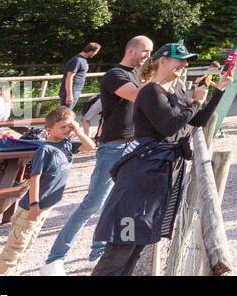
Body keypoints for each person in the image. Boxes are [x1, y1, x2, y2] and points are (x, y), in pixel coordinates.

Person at [92, 43, 229, 276]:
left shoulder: (176, 90)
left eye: (186, 60)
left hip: (159, 173)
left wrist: (218, 92)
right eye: (180, 59)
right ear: (162, 60)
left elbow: (197, 121)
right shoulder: (150, 91)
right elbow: (169, 126)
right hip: (141, 174)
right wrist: (196, 102)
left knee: (139, 241)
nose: (184, 64)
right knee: (123, 242)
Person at [42, 35, 153, 274]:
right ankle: (55, 259)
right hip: (113, 146)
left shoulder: (136, 76)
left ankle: (97, 252)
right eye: (146, 51)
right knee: (92, 204)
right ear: (132, 50)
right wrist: (159, 75)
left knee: (114, 204)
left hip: (130, 145)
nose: (149, 56)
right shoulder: (116, 74)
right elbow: (137, 95)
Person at [0, 107, 96, 275]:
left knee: (28, 243)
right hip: (32, 207)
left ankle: (15, 271)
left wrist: (78, 130)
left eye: (69, 126)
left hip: (46, 206)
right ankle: (4, 272)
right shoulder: (45, 149)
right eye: (62, 127)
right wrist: (34, 204)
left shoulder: (66, 144)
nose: (67, 130)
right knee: (17, 245)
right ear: (49, 129)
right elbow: (35, 178)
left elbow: (90, 146)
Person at [59, 42, 101, 108]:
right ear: (90, 52)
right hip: (71, 91)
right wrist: (69, 95)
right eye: (96, 52)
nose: (96, 53)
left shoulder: (83, 60)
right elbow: (69, 78)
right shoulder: (77, 60)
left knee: (67, 112)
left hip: (75, 90)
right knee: (65, 112)